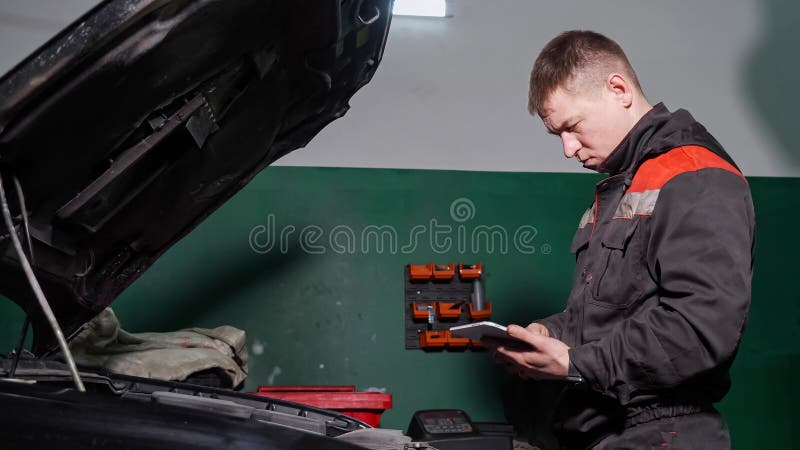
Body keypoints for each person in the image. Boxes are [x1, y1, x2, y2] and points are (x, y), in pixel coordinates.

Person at [488, 30, 755, 449]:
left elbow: (700, 331)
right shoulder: (622, 187)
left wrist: (574, 362)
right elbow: (605, 317)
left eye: (572, 127)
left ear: (618, 89)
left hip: (664, 433)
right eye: (557, 135)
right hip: (605, 430)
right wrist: (549, 333)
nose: (568, 149)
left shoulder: (695, 176)